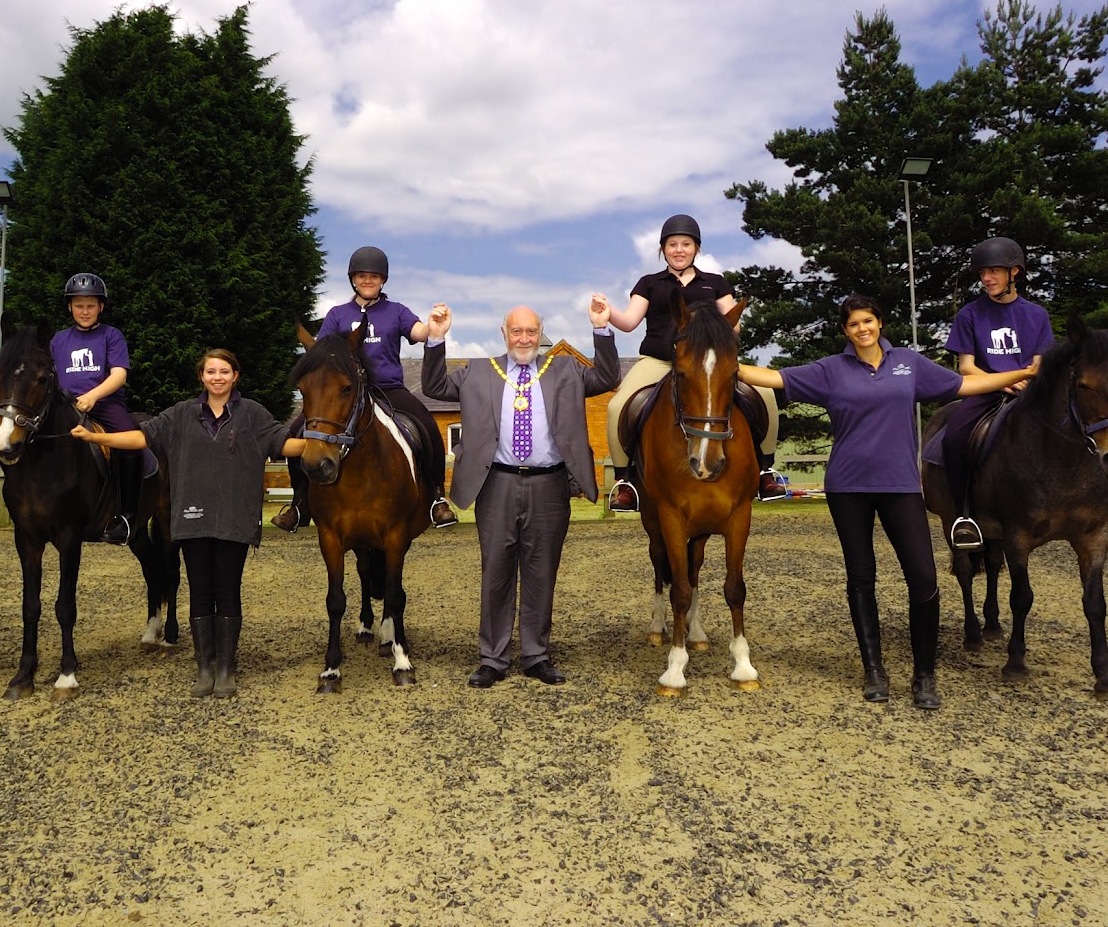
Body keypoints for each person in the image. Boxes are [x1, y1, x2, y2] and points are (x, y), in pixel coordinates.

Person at [737, 295, 1036, 710]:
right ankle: (874, 669)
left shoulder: (909, 364)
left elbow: (964, 385)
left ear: (880, 323)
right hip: (848, 488)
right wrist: (715, 360)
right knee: (862, 577)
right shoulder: (830, 370)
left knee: (924, 579)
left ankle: (925, 675)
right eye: (854, 324)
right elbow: (771, 377)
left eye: (869, 321)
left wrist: (1019, 373)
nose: (863, 329)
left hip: (900, 486)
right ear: (846, 331)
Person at [72, 349, 305, 698]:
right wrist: (96, 438)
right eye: (211, 371)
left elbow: (285, 443)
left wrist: (326, 443)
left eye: (224, 371)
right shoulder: (181, 414)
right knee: (200, 591)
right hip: (193, 516)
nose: (217, 377)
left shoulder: (253, 414)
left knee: (227, 591)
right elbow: (140, 438)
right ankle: (203, 667)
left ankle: (225, 668)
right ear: (202, 376)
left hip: (234, 518)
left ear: (235, 376)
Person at [421, 299, 619, 688]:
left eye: (531, 331)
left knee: (540, 572)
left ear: (539, 334)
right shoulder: (478, 371)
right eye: (517, 331)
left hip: (549, 483)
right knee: (495, 571)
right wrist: (436, 338)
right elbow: (433, 386)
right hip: (496, 483)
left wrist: (601, 329)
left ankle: (535, 655)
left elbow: (608, 377)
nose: (524, 338)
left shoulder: (565, 369)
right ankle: (492, 659)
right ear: (504, 333)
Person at [596, 214, 785, 513]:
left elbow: (732, 327)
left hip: (707, 363)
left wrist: (724, 325)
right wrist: (608, 313)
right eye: (672, 245)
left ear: (696, 248)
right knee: (617, 406)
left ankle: (765, 471)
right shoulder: (649, 283)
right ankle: (625, 482)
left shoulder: (715, 283)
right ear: (663, 249)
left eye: (686, 244)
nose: (679, 250)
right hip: (658, 361)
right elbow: (630, 322)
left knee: (765, 395)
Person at [272, 246, 457, 532]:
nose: (367, 280)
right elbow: (322, 352)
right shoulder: (337, 314)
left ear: (382, 280)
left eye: (373, 276)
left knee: (427, 427)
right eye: (361, 276)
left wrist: (435, 328)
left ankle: (436, 498)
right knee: (299, 430)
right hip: (344, 393)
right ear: (353, 279)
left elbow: (418, 332)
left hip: (387, 388)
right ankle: (299, 504)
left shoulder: (396, 311)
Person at [940, 237, 1053, 550]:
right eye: (982, 273)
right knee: (953, 439)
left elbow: (1040, 363)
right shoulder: (970, 315)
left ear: (1014, 272)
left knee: (1078, 423)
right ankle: (964, 515)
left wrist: (1028, 382)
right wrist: (999, 381)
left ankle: (1101, 507)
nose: (986, 278)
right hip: (986, 390)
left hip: (1031, 392)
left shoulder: (1036, 315)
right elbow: (966, 367)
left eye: (993, 271)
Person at [51, 272, 141, 545]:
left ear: (101, 306)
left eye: (91, 305)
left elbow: (119, 375)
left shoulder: (111, 335)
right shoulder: (58, 339)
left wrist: (92, 396)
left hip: (104, 405)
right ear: (70, 307)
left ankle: (126, 516)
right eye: (79, 305)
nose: (85, 311)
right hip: (66, 406)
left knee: (130, 445)